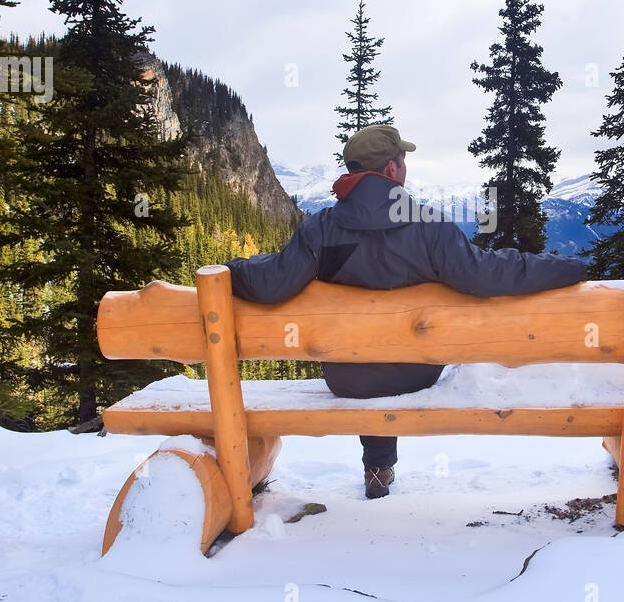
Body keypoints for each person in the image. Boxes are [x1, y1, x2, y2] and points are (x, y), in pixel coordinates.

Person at [223, 124, 586, 498]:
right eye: (402, 160)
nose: (405, 167)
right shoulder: (428, 225)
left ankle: (378, 470)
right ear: (392, 171)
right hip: (418, 371)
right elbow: (486, 273)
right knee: (403, 356)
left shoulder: (321, 229)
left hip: (347, 376)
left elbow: (271, 283)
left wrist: (229, 270)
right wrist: (567, 267)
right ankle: (381, 469)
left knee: (366, 364)